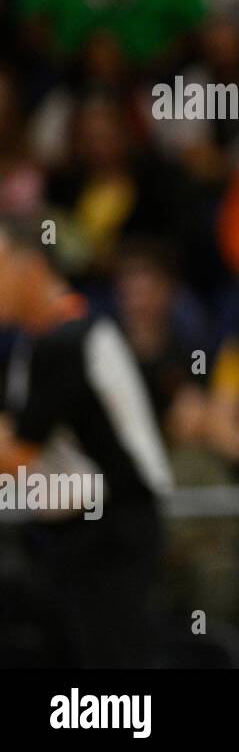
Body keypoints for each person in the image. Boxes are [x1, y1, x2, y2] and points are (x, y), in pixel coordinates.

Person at [0, 216, 175, 666]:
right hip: (75, 532)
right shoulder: (37, 343)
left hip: (114, 528)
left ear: (31, 266)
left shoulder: (68, 340)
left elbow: (14, 458)